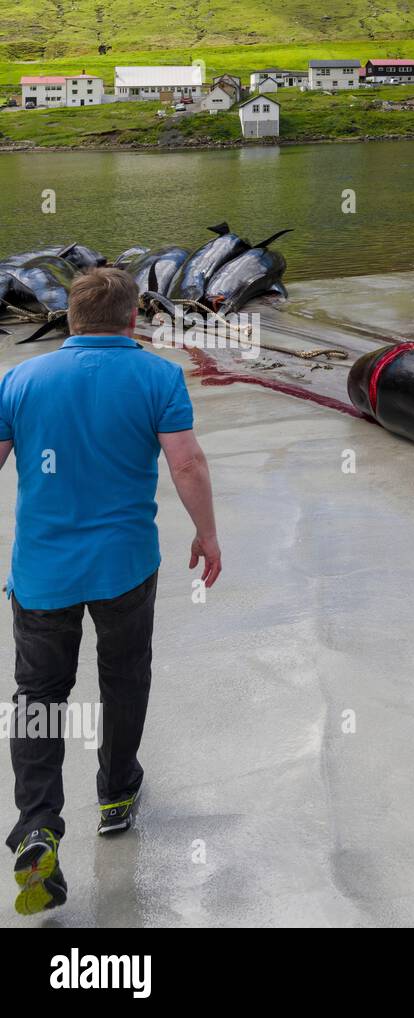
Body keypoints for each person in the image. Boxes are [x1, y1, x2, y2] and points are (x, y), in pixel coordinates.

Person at [1, 268, 220, 915]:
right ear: (134, 321)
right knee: (124, 676)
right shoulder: (157, 377)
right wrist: (207, 534)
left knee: (40, 695)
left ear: (70, 320)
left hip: (43, 575)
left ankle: (38, 826)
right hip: (125, 566)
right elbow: (186, 462)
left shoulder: (21, 379)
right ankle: (118, 792)